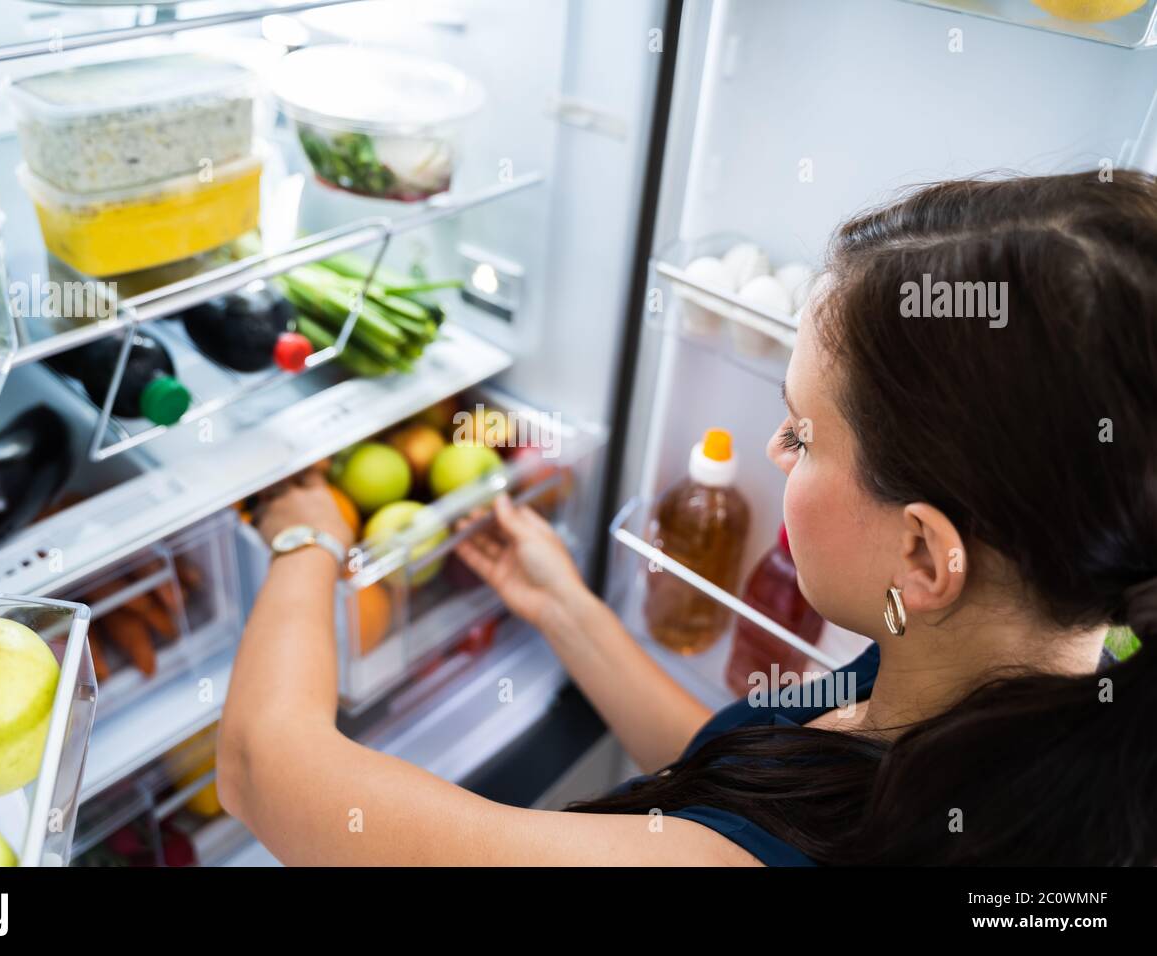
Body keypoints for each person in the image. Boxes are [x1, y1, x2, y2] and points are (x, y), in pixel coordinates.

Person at [217, 171, 1157, 865]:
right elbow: (763, 772)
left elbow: (260, 770)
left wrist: (309, 537)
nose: (774, 455)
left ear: (923, 550)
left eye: (801, 434)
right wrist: (566, 608)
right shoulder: (1025, 676)